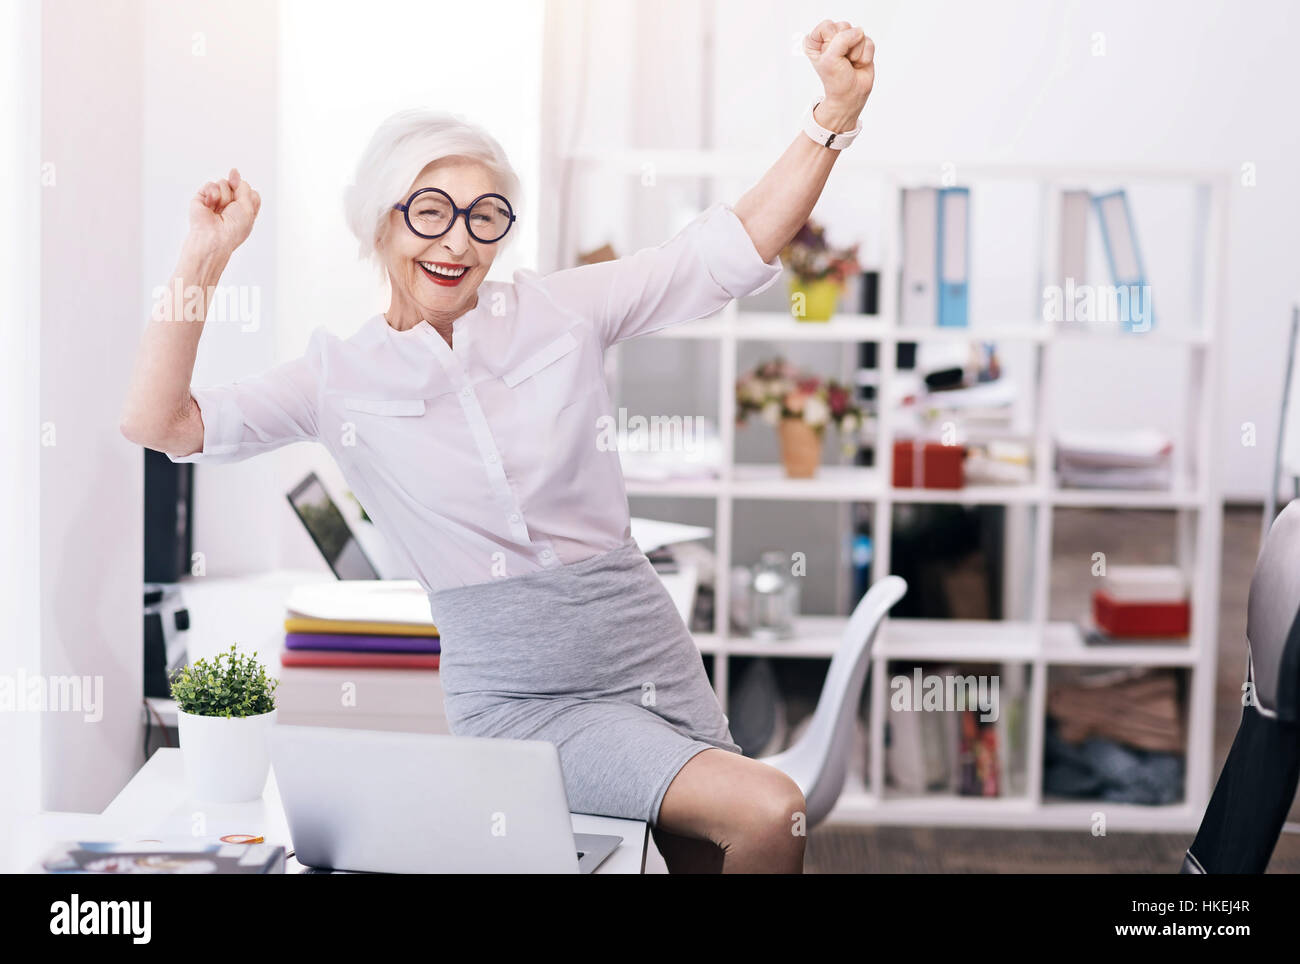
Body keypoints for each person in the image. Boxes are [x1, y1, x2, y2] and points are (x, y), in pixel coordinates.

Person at [121, 19, 875, 873]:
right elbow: (162, 425)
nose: (458, 241)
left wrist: (831, 119)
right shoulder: (339, 378)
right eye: (430, 212)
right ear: (381, 223)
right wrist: (203, 259)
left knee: (703, 854)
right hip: (524, 696)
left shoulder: (562, 310)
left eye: (485, 217)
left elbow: (725, 248)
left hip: (647, 646)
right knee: (772, 813)